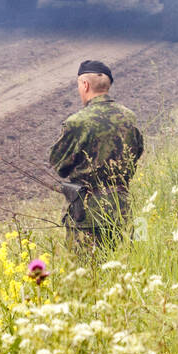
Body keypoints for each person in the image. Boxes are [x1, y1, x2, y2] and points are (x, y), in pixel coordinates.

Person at [48, 60, 143, 248]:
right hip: (122, 211)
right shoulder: (129, 117)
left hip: (86, 217)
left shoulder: (77, 122)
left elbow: (58, 164)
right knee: (122, 271)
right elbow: (138, 151)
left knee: (86, 273)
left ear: (85, 85)